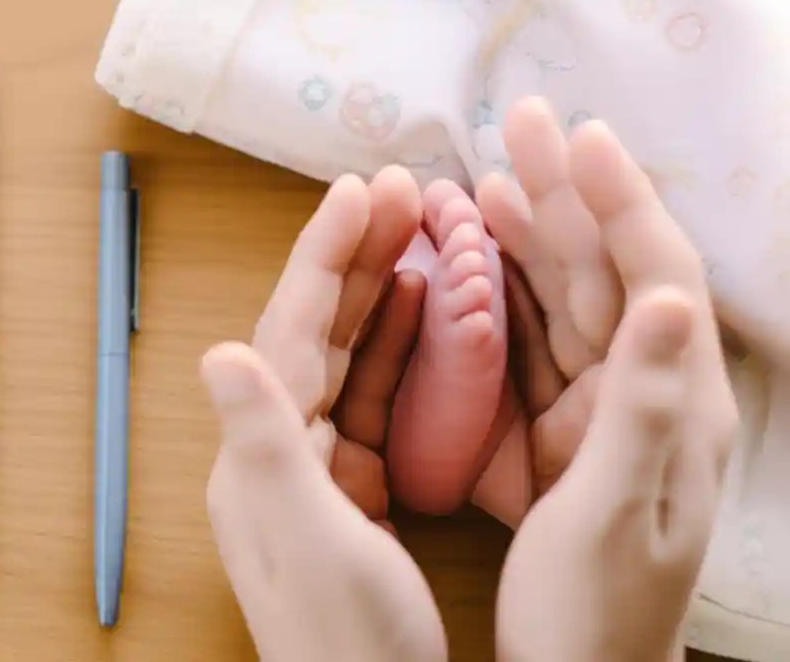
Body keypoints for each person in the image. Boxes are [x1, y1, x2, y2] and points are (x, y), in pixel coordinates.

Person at [201, 101, 737, 660]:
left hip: (480, 443)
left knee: (478, 407)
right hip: (516, 447)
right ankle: (465, 422)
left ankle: (463, 422)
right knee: (553, 444)